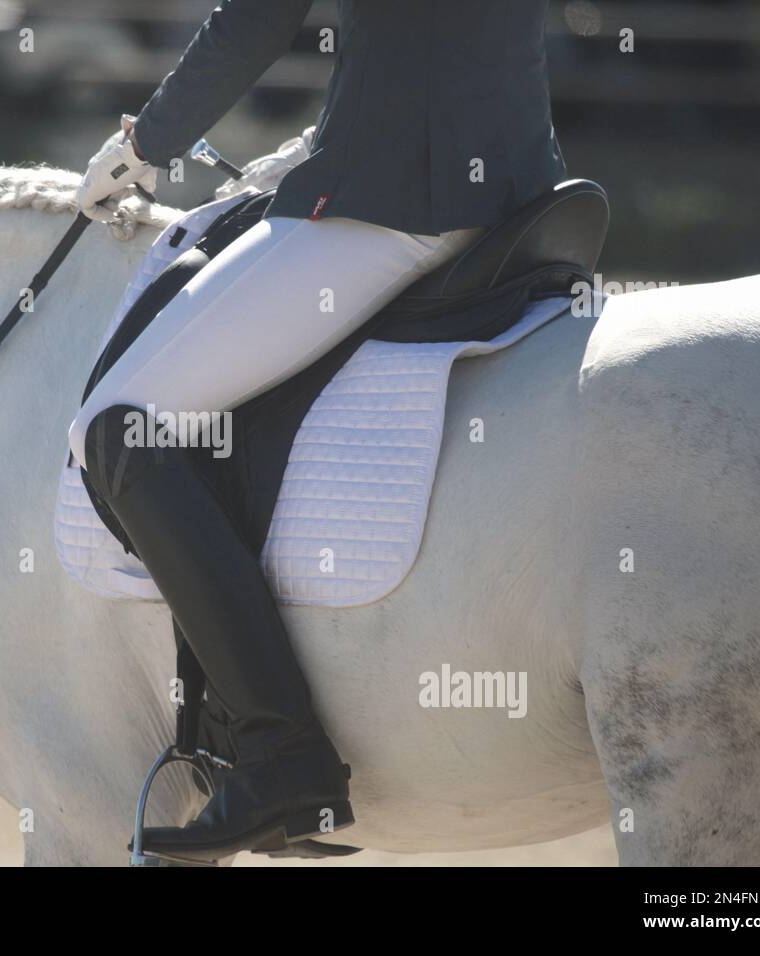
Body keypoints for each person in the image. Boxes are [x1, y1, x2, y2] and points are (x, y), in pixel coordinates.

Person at [70, 0, 566, 861]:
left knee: (117, 429)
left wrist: (146, 146)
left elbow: (256, 18)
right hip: (525, 187)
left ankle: (278, 754)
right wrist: (325, 136)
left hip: (397, 201)